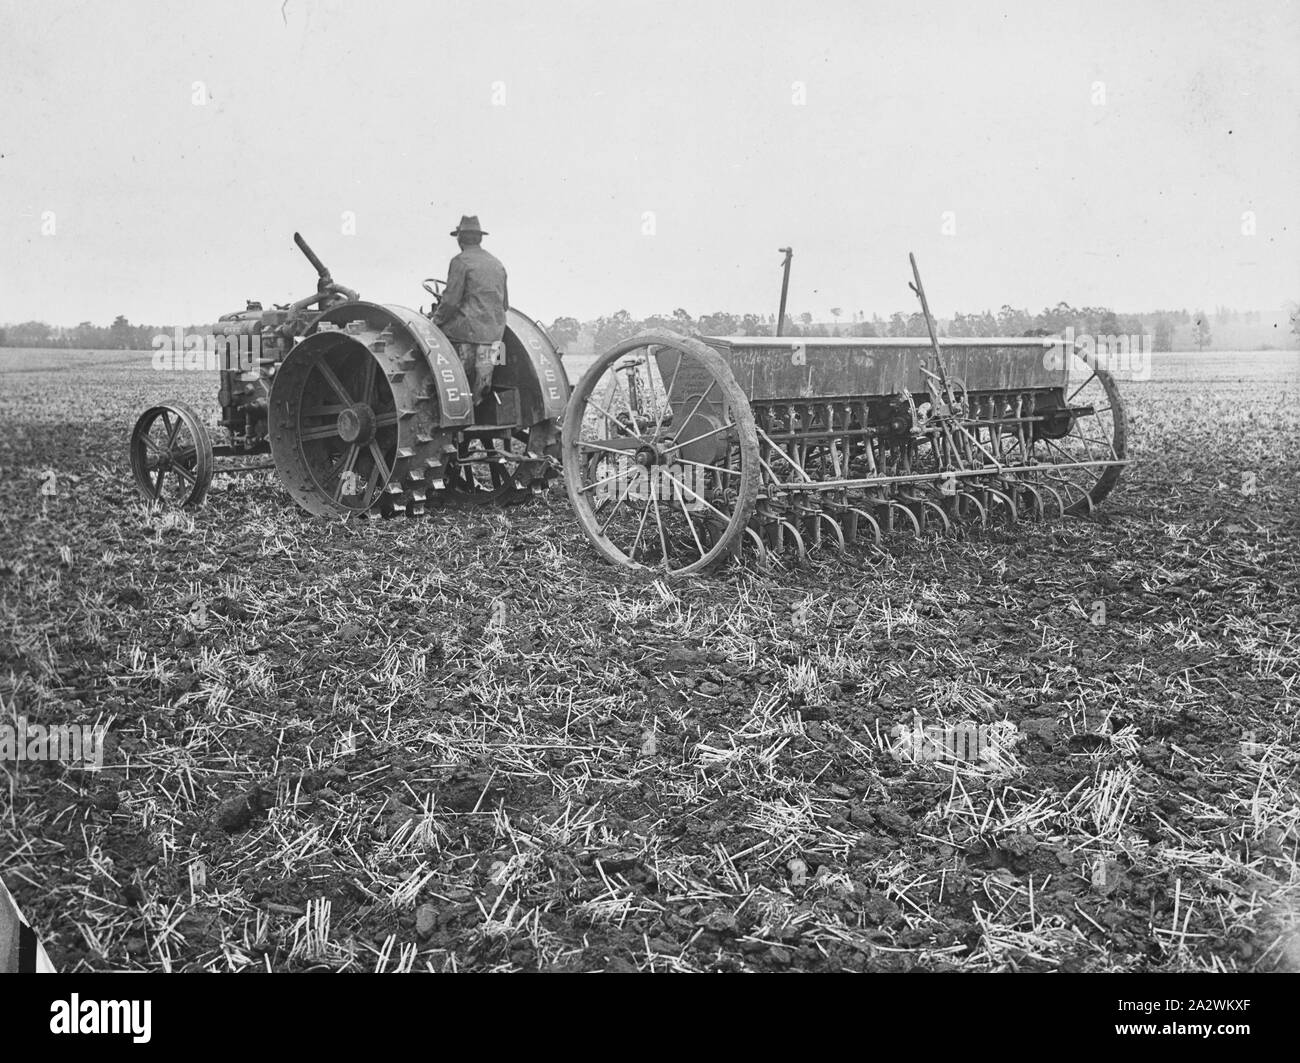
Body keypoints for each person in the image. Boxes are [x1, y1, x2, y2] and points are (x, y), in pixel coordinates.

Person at [432, 215, 509, 405]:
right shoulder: (497, 264)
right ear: (479, 238)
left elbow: (450, 302)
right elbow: (505, 304)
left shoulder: (460, 262)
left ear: (460, 239)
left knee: (442, 364)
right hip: (494, 336)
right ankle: (478, 408)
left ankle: (444, 405)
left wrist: (435, 321)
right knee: (482, 381)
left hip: (465, 334)